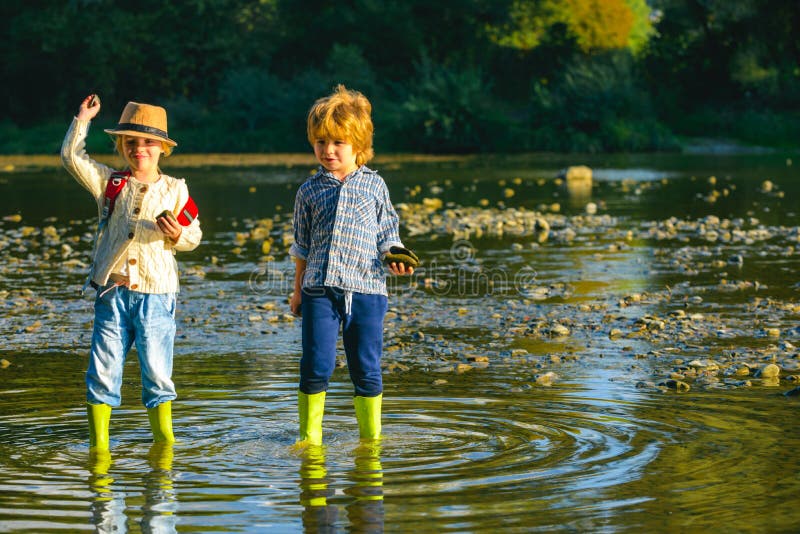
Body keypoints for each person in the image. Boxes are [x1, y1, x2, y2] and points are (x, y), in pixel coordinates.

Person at [61, 95, 202, 452]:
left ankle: (165, 445)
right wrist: (83, 119)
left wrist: (177, 234)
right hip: (111, 294)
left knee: (156, 373)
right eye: (131, 142)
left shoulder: (176, 189)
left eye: (148, 142)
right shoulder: (109, 183)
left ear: (162, 149)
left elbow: (194, 236)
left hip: (157, 296)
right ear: (122, 145)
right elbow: (71, 158)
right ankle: (99, 447)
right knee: (102, 372)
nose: (139, 148)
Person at [289, 84, 418, 446]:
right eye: (320, 143)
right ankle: (309, 439)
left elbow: (388, 233)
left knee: (366, 366)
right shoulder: (309, 191)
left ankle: (370, 441)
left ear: (358, 146)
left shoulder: (375, 187)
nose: (328, 151)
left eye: (337, 143)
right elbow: (301, 245)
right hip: (319, 289)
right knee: (316, 365)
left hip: (367, 290)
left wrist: (396, 255)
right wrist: (297, 290)